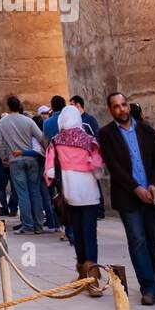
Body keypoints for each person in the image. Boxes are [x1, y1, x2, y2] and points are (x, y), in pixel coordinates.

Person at [99, 93, 155, 306]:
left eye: (124, 105)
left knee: (153, 239)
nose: (122, 109)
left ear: (128, 106)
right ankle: (149, 287)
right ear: (111, 110)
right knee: (137, 241)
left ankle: (149, 275)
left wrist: (153, 184)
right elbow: (114, 167)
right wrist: (136, 189)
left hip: (151, 196)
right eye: (116, 107)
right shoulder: (106, 134)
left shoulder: (146, 130)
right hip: (128, 197)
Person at [44, 105, 106, 295]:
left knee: (77, 234)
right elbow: (98, 171)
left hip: (71, 193)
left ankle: (83, 274)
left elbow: (50, 171)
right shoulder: (89, 141)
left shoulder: (56, 142)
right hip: (90, 193)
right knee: (90, 235)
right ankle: (93, 278)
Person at [0, 96, 47, 233]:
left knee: (22, 193)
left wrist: (5, 157)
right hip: (31, 158)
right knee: (35, 192)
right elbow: (41, 137)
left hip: (15, 159)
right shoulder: (28, 120)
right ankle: (39, 225)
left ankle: (28, 225)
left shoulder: (2, 123)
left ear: (8, 106)